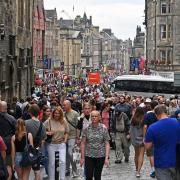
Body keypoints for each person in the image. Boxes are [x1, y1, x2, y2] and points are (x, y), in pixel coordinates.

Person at [145, 105, 180, 180]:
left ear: (156, 114)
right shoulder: (177, 122)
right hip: (176, 160)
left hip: (161, 162)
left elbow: (147, 146)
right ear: (166, 112)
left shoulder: (152, 127)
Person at [80, 111, 110, 180]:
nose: (94, 118)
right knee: (88, 176)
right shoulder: (87, 128)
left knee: (97, 176)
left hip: (100, 155)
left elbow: (107, 143)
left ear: (99, 117)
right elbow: (83, 143)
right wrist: (82, 157)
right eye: (92, 116)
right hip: (89, 155)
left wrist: (106, 158)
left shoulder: (103, 128)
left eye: (95, 116)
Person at [44, 106, 69, 180]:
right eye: (55, 113)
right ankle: (51, 178)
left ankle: (62, 178)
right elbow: (42, 131)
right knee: (52, 163)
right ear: (53, 113)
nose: (56, 115)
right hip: (51, 144)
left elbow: (67, 132)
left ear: (61, 114)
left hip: (61, 144)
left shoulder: (64, 121)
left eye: (58, 113)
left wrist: (65, 140)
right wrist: (48, 133)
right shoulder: (48, 121)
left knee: (62, 161)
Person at [25, 104, 46, 180]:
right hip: (37, 150)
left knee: (26, 171)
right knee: (37, 171)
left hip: (27, 150)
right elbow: (43, 139)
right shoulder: (42, 125)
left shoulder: (26, 123)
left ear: (30, 112)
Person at [0, 101, 16, 180]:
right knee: (8, 164)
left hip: (3, 142)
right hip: (8, 143)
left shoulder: (10, 118)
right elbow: (15, 131)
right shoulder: (11, 118)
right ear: (6, 108)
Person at [63, 100, 79, 177]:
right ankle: (67, 169)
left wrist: (77, 137)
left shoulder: (75, 114)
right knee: (65, 154)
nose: (63, 106)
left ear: (69, 105)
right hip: (64, 136)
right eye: (63, 105)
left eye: (65, 105)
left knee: (70, 153)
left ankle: (74, 170)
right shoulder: (63, 114)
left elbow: (78, 126)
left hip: (72, 136)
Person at [143, 100, 158, 178]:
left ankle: (153, 170)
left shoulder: (147, 115)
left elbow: (145, 126)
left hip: (150, 135)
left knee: (151, 154)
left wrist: (144, 136)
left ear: (150, 106)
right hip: (159, 135)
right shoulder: (159, 114)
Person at [130, 107, 145, 178]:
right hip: (142, 138)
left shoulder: (133, 119)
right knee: (141, 155)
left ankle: (136, 169)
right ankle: (138, 171)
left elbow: (131, 131)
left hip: (135, 139)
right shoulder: (144, 120)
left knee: (136, 154)